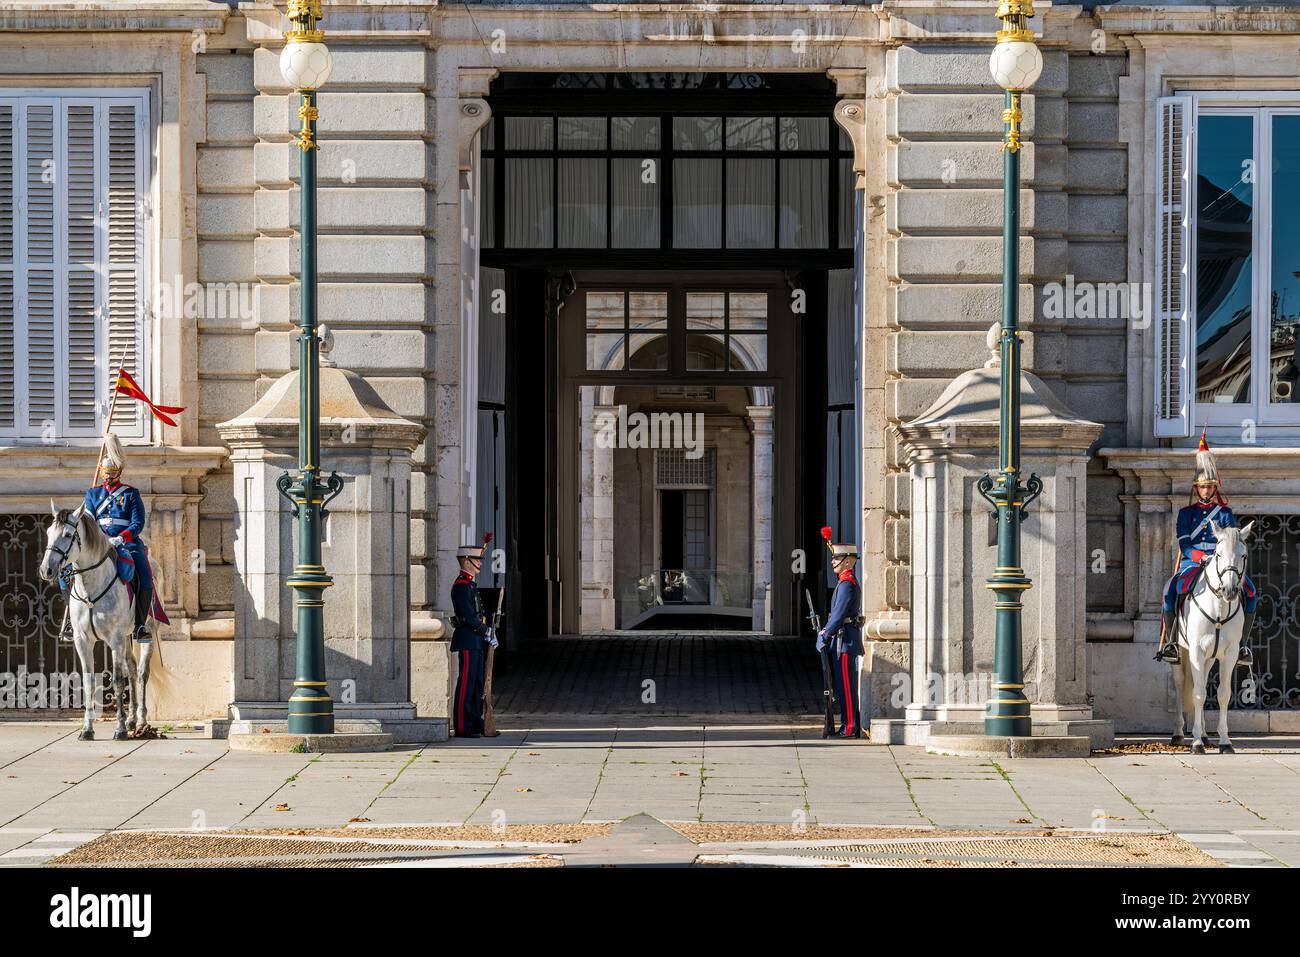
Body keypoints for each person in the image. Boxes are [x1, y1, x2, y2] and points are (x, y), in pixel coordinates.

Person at [1155, 432, 1256, 666]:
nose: (1207, 491)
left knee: (1250, 592)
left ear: (1215, 487)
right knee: (1171, 590)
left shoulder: (1225, 513)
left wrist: (1218, 558)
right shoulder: (1186, 514)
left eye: (1210, 487)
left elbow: (1231, 542)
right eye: (1202, 487)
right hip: (1193, 562)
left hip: (1221, 562)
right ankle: (1171, 643)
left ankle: (1242, 646)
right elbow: (1184, 544)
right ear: (1196, 488)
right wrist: (1199, 557)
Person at [83, 433, 157, 640]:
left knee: (145, 578)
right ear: (101, 471)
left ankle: (140, 626)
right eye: (106, 472)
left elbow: (137, 523)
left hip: (127, 544)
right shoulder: (93, 493)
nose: (108, 477)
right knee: (70, 574)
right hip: (99, 544)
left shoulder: (131, 494)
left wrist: (122, 538)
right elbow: (89, 520)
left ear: (119, 472)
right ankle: (74, 622)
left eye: (112, 473)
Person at [817, 530, 864, 738]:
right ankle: (847, 724)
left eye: (837, 558)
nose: (833, 561)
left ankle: (851, 725)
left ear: (848, 562)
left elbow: (838, 615)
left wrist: (826, 633)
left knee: (846, 687)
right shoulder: (843, 583)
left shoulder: (847, 585)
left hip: (845, 641)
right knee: (842, 685)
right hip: (841, 641)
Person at [450, 542, 494, 737]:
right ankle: (462, 725)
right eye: (477, 560)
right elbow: (468, 615)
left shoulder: (470, 584)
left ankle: (475, 721)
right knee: (466, 683)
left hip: (475, 640)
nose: (480, 564)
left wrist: (486, 631)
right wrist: (485, 630)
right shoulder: (461, 586)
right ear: (467, 562)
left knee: (477, 682)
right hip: (467, 640)